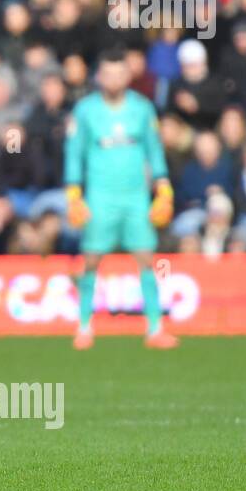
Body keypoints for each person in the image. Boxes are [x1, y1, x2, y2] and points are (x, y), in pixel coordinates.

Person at [64, 48, 177, 351]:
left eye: (119, 73)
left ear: (128, 75)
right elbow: (74, 153)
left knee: (145, 257)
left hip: (135, 196)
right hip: (100, 196)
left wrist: (163, 187)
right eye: (108, 73)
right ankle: (84, 326)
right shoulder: (85, 111)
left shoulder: (142, 109)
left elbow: (154, 150)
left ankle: (154, 328)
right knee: (91, 259)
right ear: (99, 76)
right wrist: (73, 191)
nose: (114, 79)